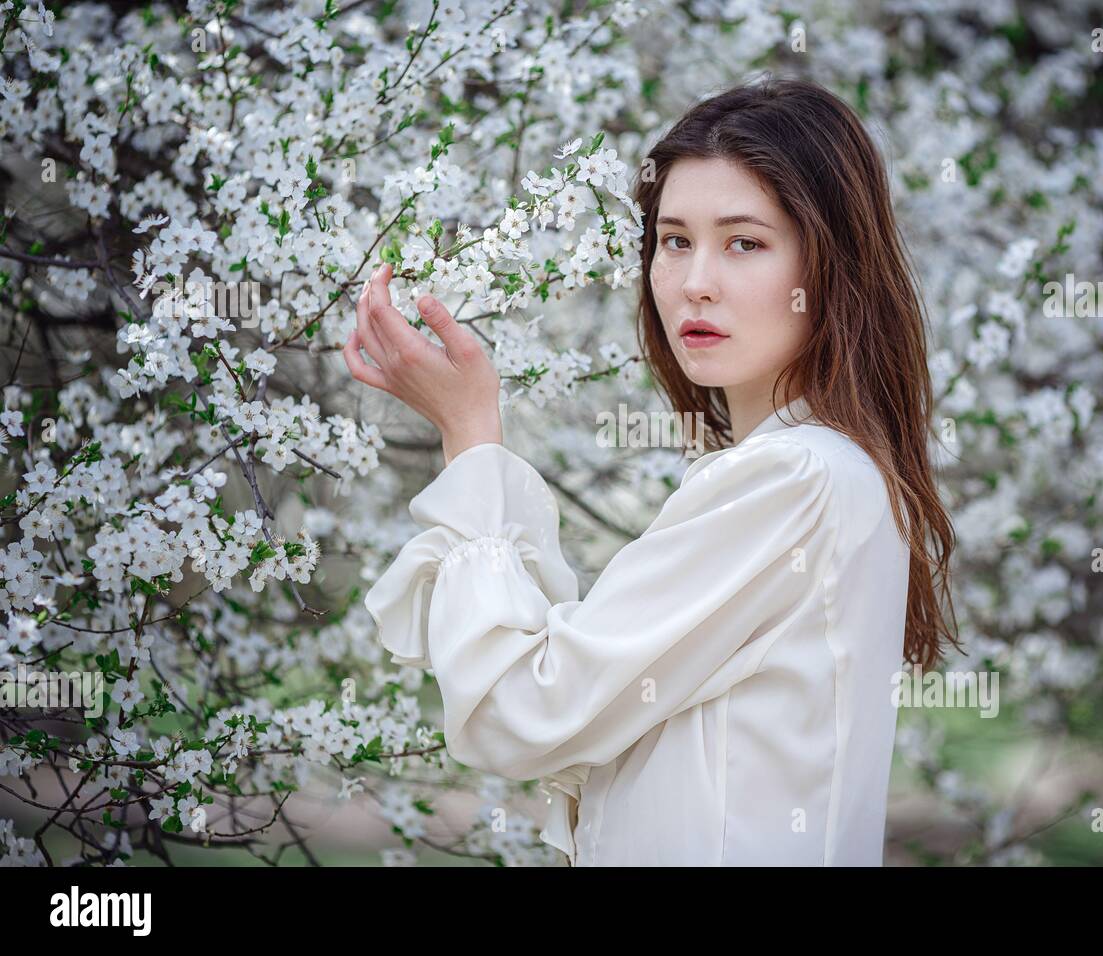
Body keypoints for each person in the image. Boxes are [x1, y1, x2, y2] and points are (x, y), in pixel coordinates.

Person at [345, 75, 960, 866]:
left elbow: (520, 709)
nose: (695, 280)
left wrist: (469, 432)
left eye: (745, 242)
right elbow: (590, 685)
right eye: (674, 240)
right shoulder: (829, 471)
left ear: (831, 266)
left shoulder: (797, 481)